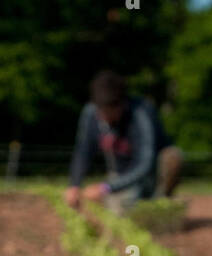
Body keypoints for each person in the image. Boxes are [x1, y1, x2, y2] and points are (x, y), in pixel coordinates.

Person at [64, 71, 182, 213]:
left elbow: (145, 163)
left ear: (121, 105)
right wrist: (74, 184)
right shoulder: (90, 113)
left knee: (173, 155)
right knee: (111, 209)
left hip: (149, 174)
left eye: (108, 113)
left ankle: (161, 198)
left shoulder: (141, 113)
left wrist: (105, 188)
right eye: (100, 111)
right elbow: (83, 151)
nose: (103, 117)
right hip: (120, 176)